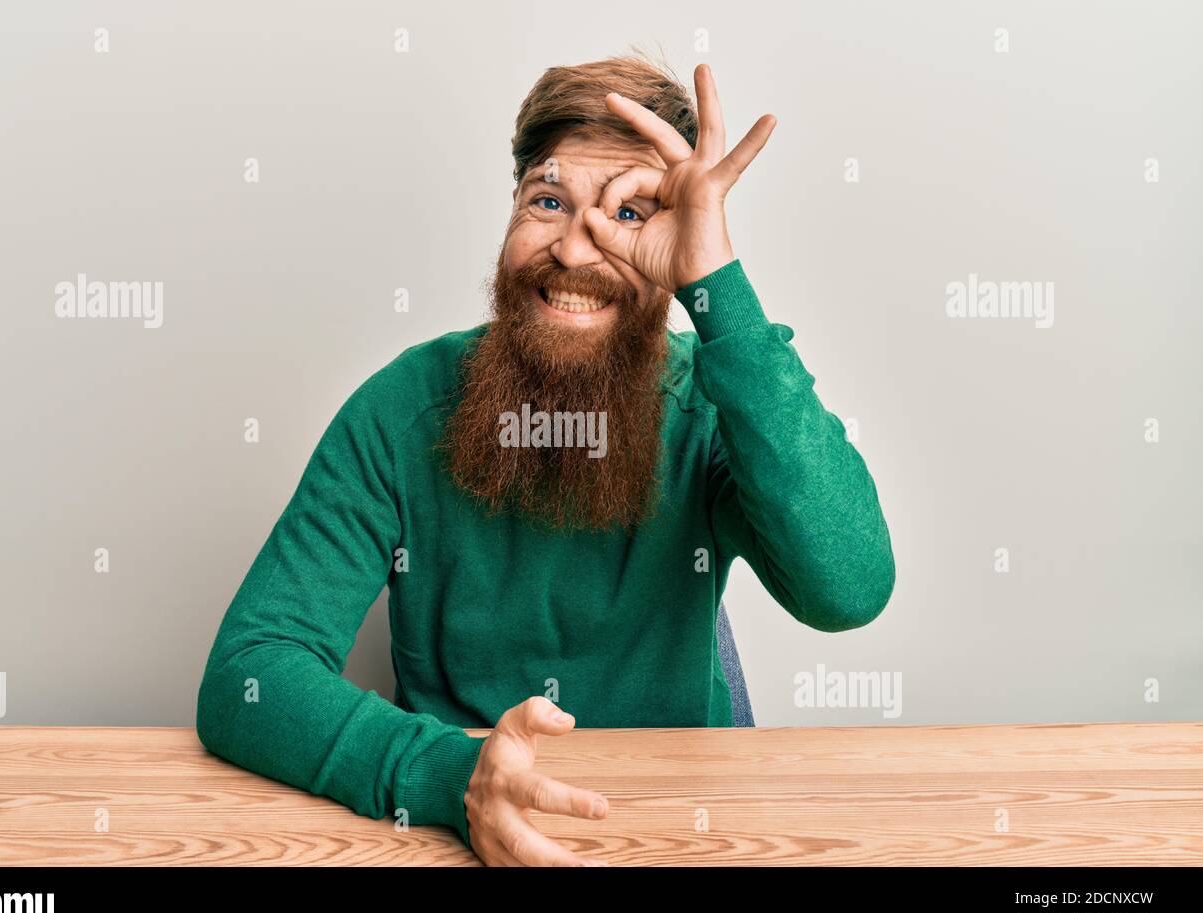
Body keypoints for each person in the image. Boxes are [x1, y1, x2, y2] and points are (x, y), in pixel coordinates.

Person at [195, 54, 895, 866]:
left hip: (678, 824)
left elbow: (851, 590)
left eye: (629, 215)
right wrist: (451, 777)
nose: (573, 250)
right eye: (550, 201)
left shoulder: (714, 408)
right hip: (458, 826)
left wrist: (716, 286)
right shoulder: (400, 411)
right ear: (511, 209)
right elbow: (251, 672)